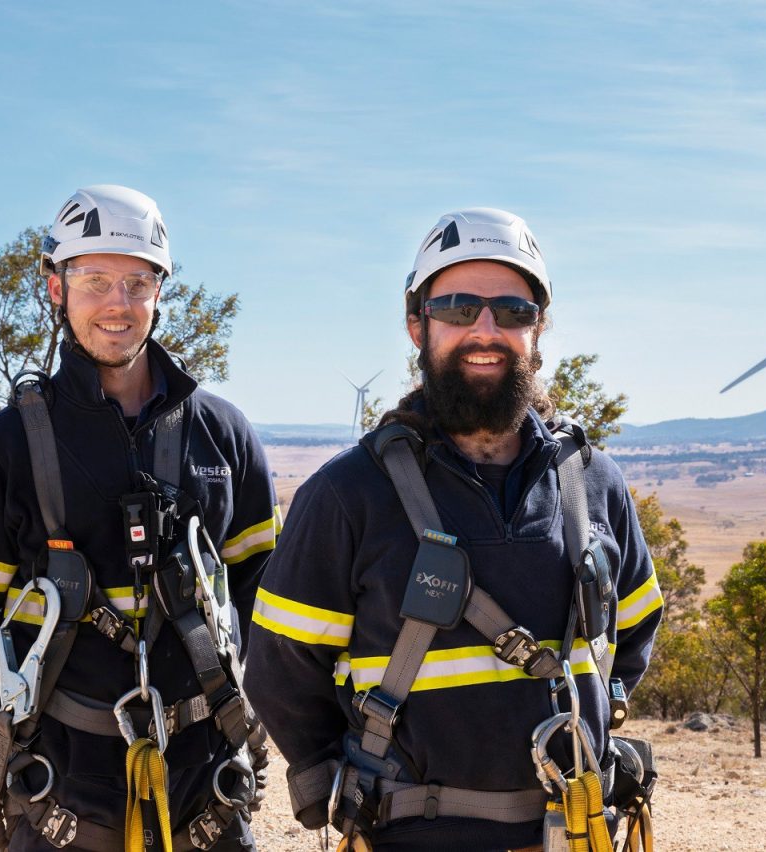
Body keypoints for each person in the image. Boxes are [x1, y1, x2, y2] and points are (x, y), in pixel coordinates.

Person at [244, 208, 663, 851]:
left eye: (513, 311)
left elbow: (631, 632)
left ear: (539, 328)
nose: (486, 331)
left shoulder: (593, 482)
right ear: (417, 325)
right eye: (460, 308)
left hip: (576, 831)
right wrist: (354, 773)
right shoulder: (349, 494)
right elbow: (280, 667)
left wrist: (595, 719)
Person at [0, 185, 277, 851]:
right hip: (60, 791)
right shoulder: (0, 454)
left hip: (208, 789)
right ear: (56, 290)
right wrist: (36, 718)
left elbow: (266, 592)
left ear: (160, 292)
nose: (118, 302)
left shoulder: (223, 437)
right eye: (94, 280)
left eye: (137, 281)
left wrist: (215, 704)